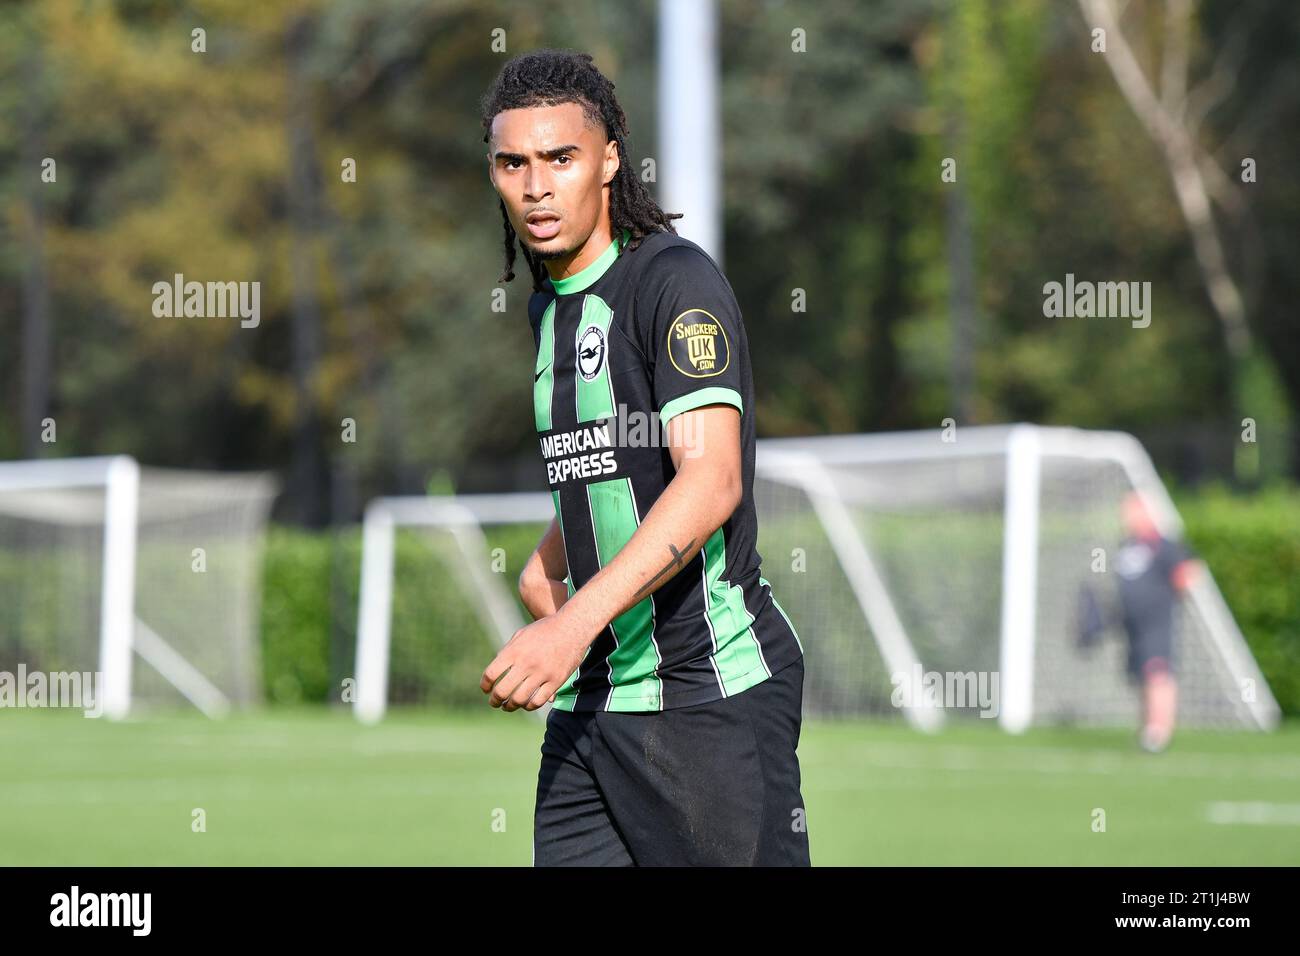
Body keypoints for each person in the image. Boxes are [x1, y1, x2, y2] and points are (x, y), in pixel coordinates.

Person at [477, 49, 808, 865]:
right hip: (593, 712)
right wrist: (552, 559)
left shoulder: (673, 282)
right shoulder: (549, 308)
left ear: (609, 159)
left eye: (561, 158)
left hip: (705, 697)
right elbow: (611, 457)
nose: (536, 184)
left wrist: (572, 625)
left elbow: (711, 477)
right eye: (513, 163)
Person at [1114, 491, 1200, 753]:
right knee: (1142, 676)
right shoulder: (1127, 545)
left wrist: (1160, 598)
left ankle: (1159, 730)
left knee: (1158, 674)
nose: (1125, 516)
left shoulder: (1163, 544)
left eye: (1131, 510)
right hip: (1132, 625)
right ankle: (1147, 727)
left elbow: (1188, 573)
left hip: (1156, 622)